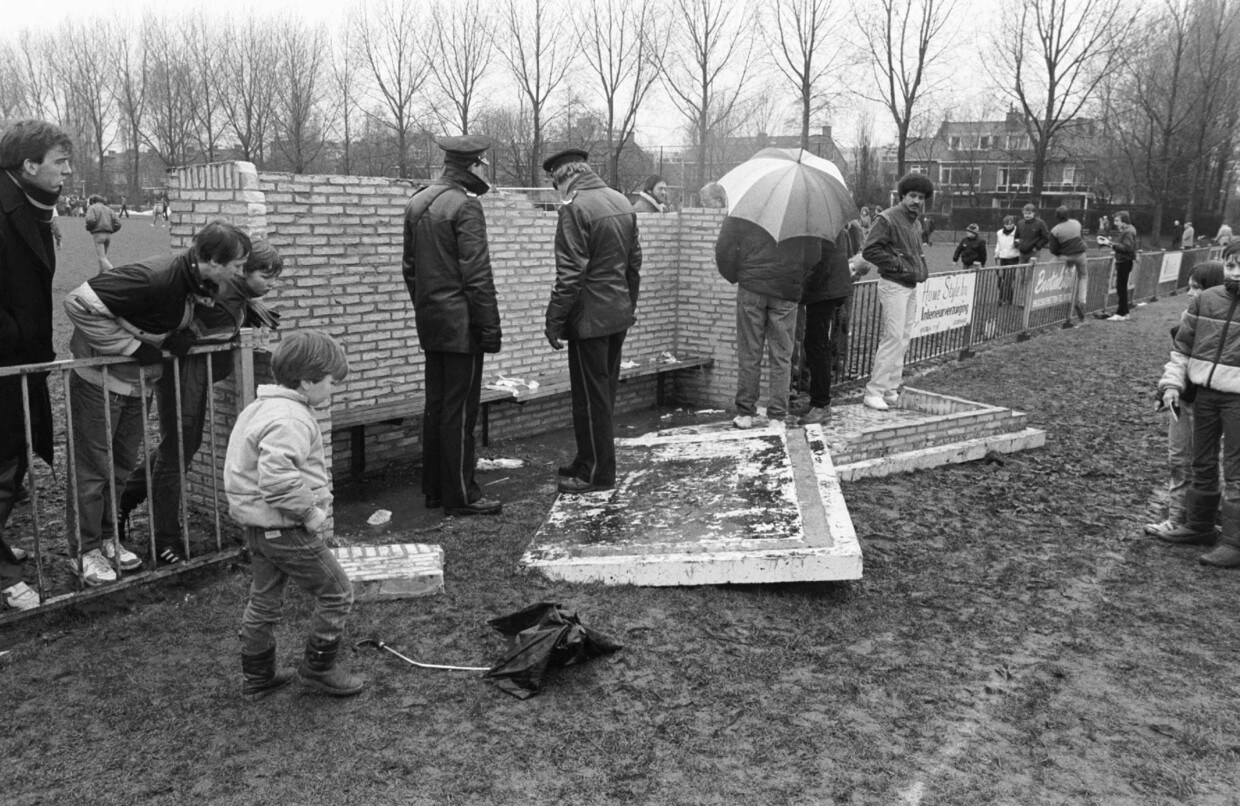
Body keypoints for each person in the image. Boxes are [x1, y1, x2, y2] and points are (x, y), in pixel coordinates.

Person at [62, 221, 250, 586]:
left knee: (118, 468)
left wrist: (174, 339)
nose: (241, 273)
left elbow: (156, 318)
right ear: (211, 259)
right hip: (98, 382)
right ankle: (83, 552)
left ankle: (106, 539)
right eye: (238, 266)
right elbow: (78, 302)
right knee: (92, 471)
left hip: (136, 383)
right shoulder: (156, 277)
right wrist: (133, 348)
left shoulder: (198, 282)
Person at [118, 240, 284, 564]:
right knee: (177, 449)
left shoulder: (238, 295)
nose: (272, 284)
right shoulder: (218, 294)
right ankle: (164, 538)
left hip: (197, 373)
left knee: (181, 446)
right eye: (266, 277)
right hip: (183, 371)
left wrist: (251, 306)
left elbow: (233, 306)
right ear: (243, 272)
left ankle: (126, 496)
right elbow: (203, 314)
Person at [225, 330, 364, 698]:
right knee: (337, 592)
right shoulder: (293, 419)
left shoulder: (261, 407)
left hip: (258, 528)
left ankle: (257, 679)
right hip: (285, 528)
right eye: (330, 382)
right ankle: (318, 669)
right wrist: (311, 515)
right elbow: (278, 482)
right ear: (307, 381)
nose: (331, 390)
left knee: (264, 602)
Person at [401, 135, 503, 516]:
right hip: (462, 328)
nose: (484, 173)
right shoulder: (465, 206)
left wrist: (429, 309)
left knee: (437, 409)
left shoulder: (418, 202)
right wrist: (489, 329)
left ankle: (435, 491)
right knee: (460, 414)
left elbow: (409, 270)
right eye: (483, 166)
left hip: (433, 323)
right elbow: (478, 277)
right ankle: (462, 496)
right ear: (473, 166)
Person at [0, 119, 73, 612]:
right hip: (5, 363)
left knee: (15, 455)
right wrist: (15, 341)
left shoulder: (30, 206)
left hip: (23, 360)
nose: (67, 171)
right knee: (3, 464)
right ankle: (4, 577)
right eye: (59, 162)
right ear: (28, 166)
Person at [543, 148, 641, 493]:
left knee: (589, 398)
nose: (559, 193)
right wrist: (627, 307)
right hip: (616, 315)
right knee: (601, 394)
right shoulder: (621, 201)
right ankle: (587, 459)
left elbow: (570, 275)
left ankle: (597, 473)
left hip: (588, 320)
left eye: (557, 185)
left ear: (563, 177)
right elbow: (633, 266)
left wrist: (553, 320)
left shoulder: (575, 208)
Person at [1157, 241, 1240, 568]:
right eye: (1231, 265)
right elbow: (1182, 350)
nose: (1236, 272)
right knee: (1201, 461)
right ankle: (1199, 525)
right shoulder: (1206, 300)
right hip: (1204, 395)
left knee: (1236, 468)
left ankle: (1234, 541)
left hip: (1238, 401)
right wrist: (1172, 384)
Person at [716, 212, 821, 428]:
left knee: (750, 351)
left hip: (751, 288)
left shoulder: (745, 208)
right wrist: (796, 279)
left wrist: (738, 276)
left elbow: (724, 249)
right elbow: (814, 256)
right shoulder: (804, 212)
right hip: (786, 291)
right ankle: (777, 416)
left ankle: (745, 413)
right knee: (782, 356)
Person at [1146, 261, 1226, 541]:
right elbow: (1177, 358)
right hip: (1184, 398)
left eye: (1197, 288)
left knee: (1193, 461)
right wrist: (1166, 390)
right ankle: (1187, 515)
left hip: (1205, 401)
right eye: (1190, 287)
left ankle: (1187, 517)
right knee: (1182, 459)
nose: (1191, 293)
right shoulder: (1191, 315)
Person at [861, 172, 933, 411]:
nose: (917, 201)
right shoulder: (887, 218)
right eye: (912, 195)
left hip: (910, 284)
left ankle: (891, 387)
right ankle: (874, 390)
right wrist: (899, 266)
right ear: (902, 195)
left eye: (921, 197)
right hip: (893, 285)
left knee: (903, 338)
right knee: (892, 337)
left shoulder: (916, 222)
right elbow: (870, 250)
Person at [799, 225, 866, 425]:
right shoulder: (833, 224)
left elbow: (820, 264)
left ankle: (821, 405)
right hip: (832, 289)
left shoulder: (822, 228)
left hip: (824, 291)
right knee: (818, 344)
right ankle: (818, 401)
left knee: (816, 345)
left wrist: (802, 289)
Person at [1048, 206, 1089, 327]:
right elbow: (1081, 237)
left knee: (1057, 273)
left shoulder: (1055, 230)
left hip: (1066, 256)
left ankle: (1056, 298)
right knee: (1083, 276)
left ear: (1056, 216)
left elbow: (1053, 250)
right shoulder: (1076, 223)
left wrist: (1061, 254)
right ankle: (1082, 301)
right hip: (1081, 254)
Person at [1106, 210, 1138, 321]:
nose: (1115, 223)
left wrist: (1112, 245)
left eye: (1117, 220)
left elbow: (1127, 248)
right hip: (1125, 261)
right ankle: (1125, 312)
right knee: (1121, 288)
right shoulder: (1128, 230)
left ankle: (1121, 313)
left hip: (1124, 261)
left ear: (1124, 221)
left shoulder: (1128, 231)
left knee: (1121, 288)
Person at [84, 194, 121, 272]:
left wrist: (89, 228)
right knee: (103, 257)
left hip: (98, 234)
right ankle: (100, 275)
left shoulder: (92, 208)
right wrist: (111, 230)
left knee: (102, 257)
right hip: (108, 235)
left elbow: (91, 220)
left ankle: (113, 270)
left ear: (92, 201)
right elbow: (118, 223)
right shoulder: (109, 209)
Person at [995, 215, 1020, 305]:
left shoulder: (1018, 232)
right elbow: (998, 243)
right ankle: (1009, 299)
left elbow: (1020, 244)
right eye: (1006, 224)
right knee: (1000, 280)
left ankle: (1001, 299)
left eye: (1011, 224)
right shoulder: (999, 233)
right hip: (1003, 258)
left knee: (1008, 280)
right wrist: (997, 252)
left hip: (1013, 258)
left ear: (1013, 223)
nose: (1008, 225)